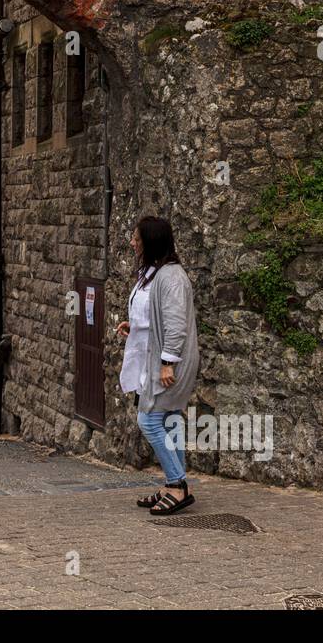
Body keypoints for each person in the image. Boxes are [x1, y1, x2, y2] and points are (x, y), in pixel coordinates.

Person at [117, 216, 200, 516]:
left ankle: (178, 485)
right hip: (157, 357)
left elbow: (176, 325)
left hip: (169, 363)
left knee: (149, 420)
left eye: (137, 238)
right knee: (169, 421)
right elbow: (155, 316)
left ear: (150, 241)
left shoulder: (172, 277)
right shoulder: (153, 273)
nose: (132, 242)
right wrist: (136, 327)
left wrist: (168, 363)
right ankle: (171, 484)